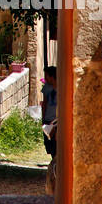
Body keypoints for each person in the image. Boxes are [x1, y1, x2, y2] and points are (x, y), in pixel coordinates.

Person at [42, 65, 58, 194]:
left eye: (47, 76)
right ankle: (54, 161)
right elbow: (45, 103)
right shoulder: (47, 88)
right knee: (50, 143)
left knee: (56, 143)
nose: (45, 78)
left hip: (57, 120)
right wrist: (43, 118)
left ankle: (55, 164)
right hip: (48, 120)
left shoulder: (61, 87)